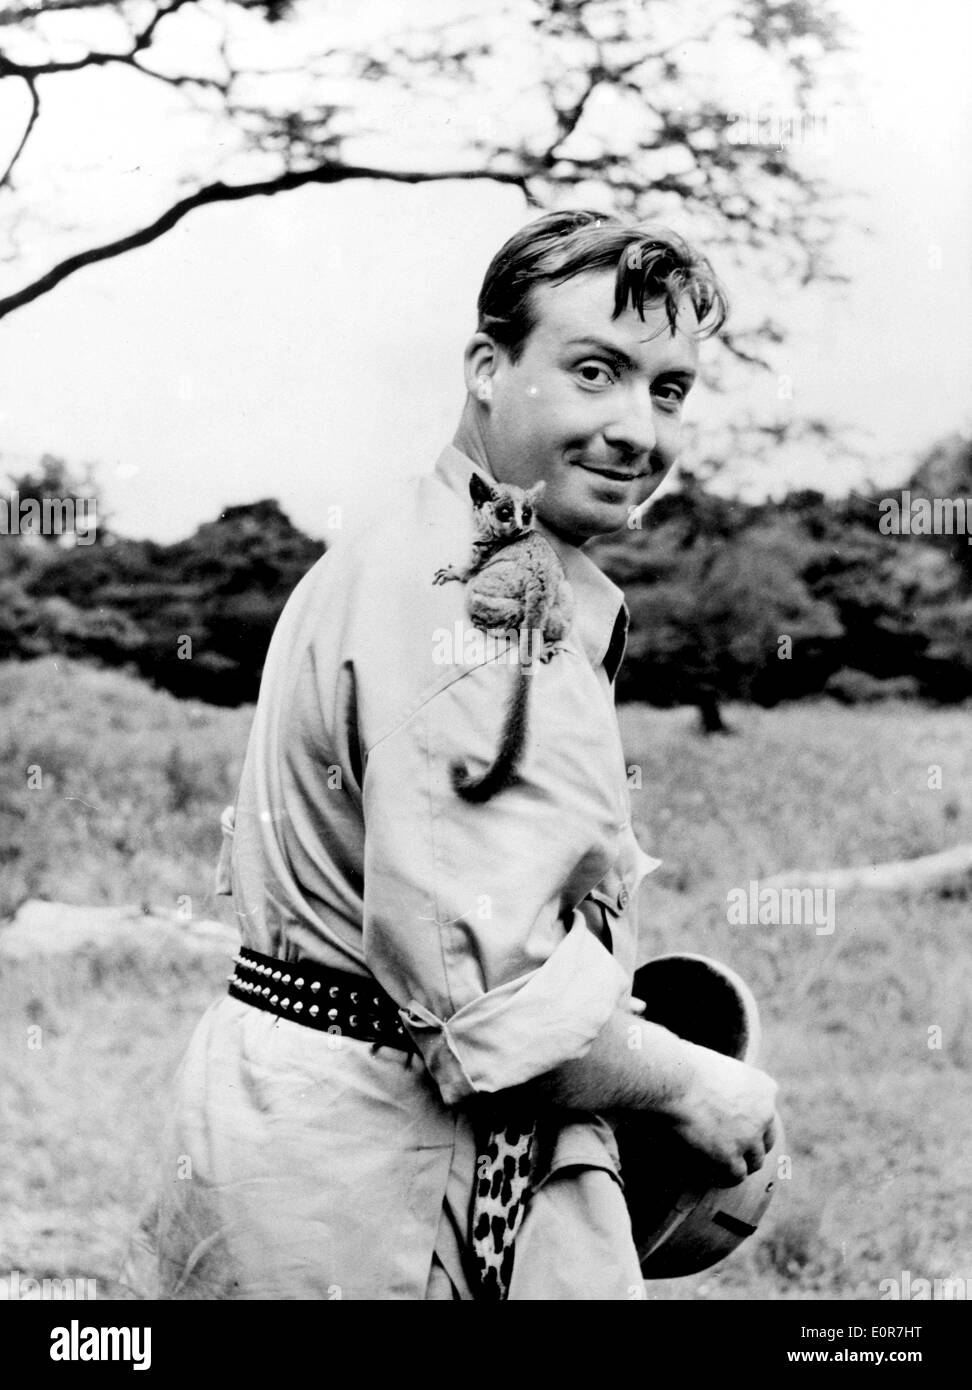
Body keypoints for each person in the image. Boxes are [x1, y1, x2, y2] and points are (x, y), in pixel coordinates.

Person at [130, 209, 777, 1301]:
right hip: (378, 1167)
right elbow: (494, 1011)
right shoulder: (481, 605)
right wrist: (700, 1085)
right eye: (594, 371)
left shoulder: (428, 540)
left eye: (667, 390)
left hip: (302, 1118)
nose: (637, 429)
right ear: (488, 368)